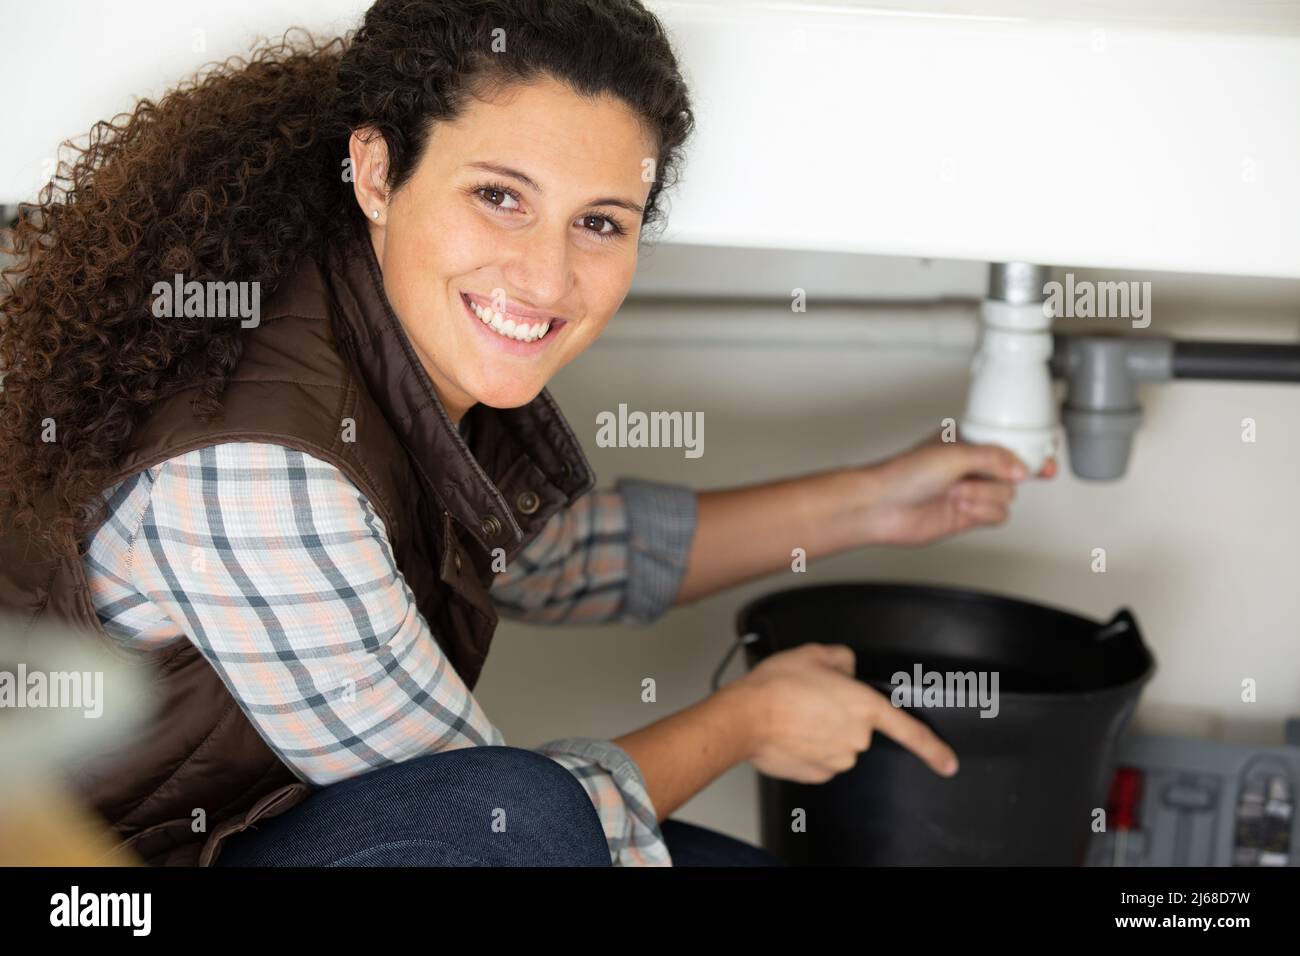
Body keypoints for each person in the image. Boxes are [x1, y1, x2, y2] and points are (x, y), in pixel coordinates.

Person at [0, 0, 1053, 868]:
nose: (547, 280)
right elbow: (498, 827)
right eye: (500, 196)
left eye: (598, 221)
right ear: (375, 171)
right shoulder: (255, 467)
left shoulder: (370, 331)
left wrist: (872, 500)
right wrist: (744, 722)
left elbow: (545, 557)